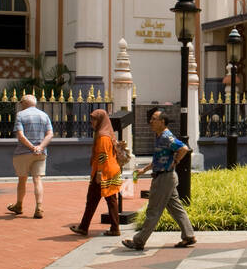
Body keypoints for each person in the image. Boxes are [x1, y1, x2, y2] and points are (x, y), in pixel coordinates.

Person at [122, 106, 196, 251]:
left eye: (154, 119)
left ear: (162, 122)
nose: (151, 122)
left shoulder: (165, 136)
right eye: (151, 119)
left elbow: (184, 148)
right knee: (176, 208)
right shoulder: (159, 137)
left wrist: (176, 161)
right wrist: (144, 170)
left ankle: (139, 240)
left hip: (164, 178)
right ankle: (188, 235)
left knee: (153, 211)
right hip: (165, 177)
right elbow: (158, 159)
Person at [69, 109, 123, 237]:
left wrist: (99, 173)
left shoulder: (103, 136)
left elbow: (102, 155)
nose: (91, 122)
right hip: (109, 170)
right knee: (104, 200)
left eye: (94, 119)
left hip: (103, 172)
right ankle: (87, 226)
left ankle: (89, 227)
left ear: (100, 121)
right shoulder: (107, 133)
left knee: (98, 200)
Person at [7, 93, 54, 219]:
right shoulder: (44, 116)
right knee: (37, 179)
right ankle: (39, 207)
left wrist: (32, 147)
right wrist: (40, 147)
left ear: (24, 103)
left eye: (21, 102)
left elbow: (21, 136)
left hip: (23, 152)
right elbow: (50, 134)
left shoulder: (20, 115)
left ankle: (19, 205)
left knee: (22, 179)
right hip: (41, 153)